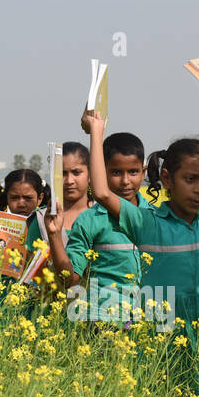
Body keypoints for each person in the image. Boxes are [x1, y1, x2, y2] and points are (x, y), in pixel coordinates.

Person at [84, 111, 199, 393]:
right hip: (162, 322)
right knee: (161, 396)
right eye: (191, 179)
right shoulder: (146, 221)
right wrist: (96, 132)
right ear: (167, 179)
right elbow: (101, 192)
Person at [58, 131, 154, 326]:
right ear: (101, 173)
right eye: (116, 172)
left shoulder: (155, 217)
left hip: (151, 320)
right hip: (103, 322)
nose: (126, 181)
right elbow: (70, 278)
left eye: (133, 172)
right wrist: (53, 235)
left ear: (143, 173)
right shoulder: (89, 220)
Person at [0, 169, 47, 303]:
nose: (21, 203)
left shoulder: (47, 231)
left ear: (40, 198)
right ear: (6, 197)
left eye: (28, 198)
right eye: (14, 197)